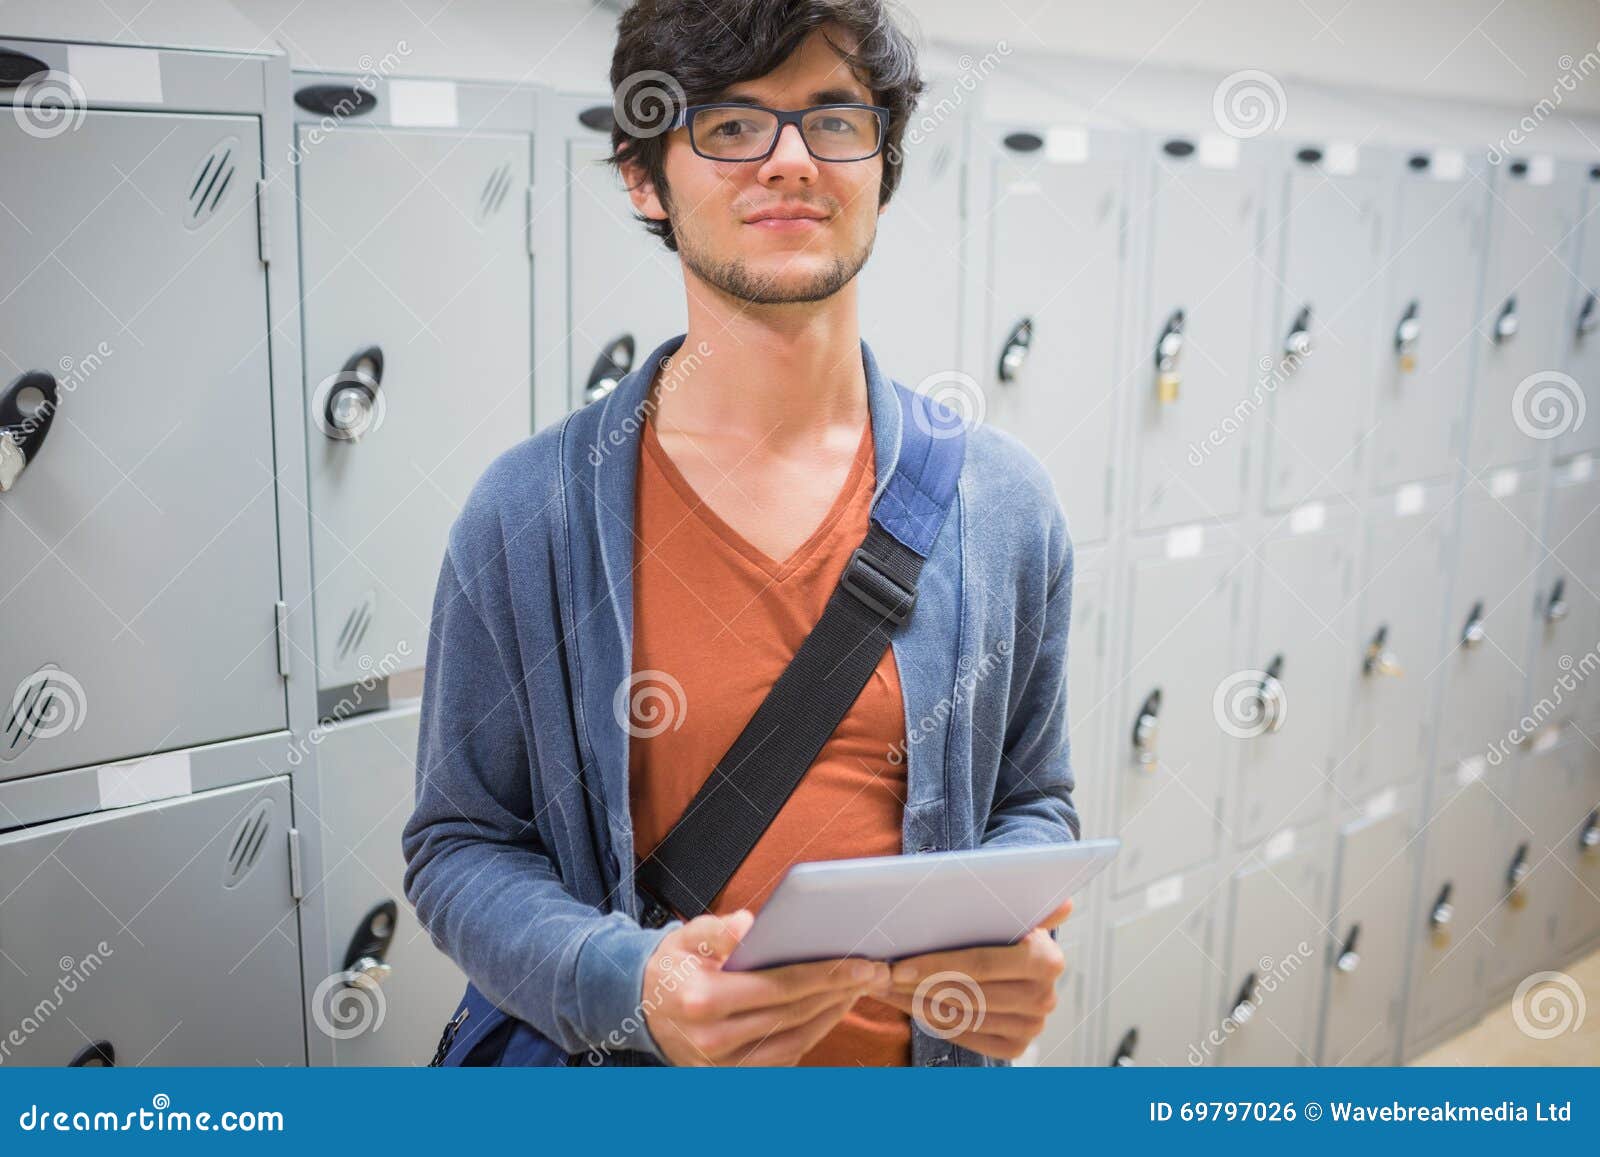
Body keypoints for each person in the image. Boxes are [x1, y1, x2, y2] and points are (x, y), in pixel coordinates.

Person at [403, 0, 1079, 1068]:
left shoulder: (1001, 504)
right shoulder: (528, 515)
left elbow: (1033, 801)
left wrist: (1017, 937)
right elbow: (460, 845)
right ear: (643, 175)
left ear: (882, 159)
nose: (790, 161)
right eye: (728, 126)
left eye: (834, 120)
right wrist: (628, 982)